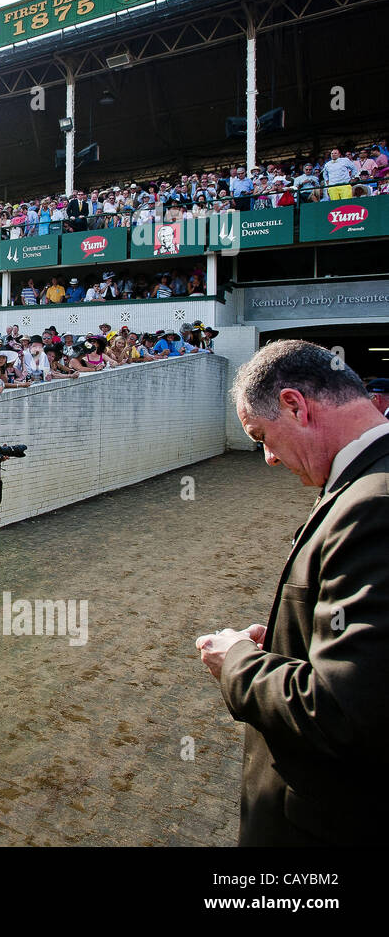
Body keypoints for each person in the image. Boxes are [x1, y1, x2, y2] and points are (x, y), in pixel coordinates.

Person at [197, 340, 389, 845]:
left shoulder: (374, 504)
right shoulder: (366, 482)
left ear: (295, 406)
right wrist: (291, 645)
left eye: (261, 436)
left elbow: (344, 712)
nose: (267, 458)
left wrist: (238, 660)